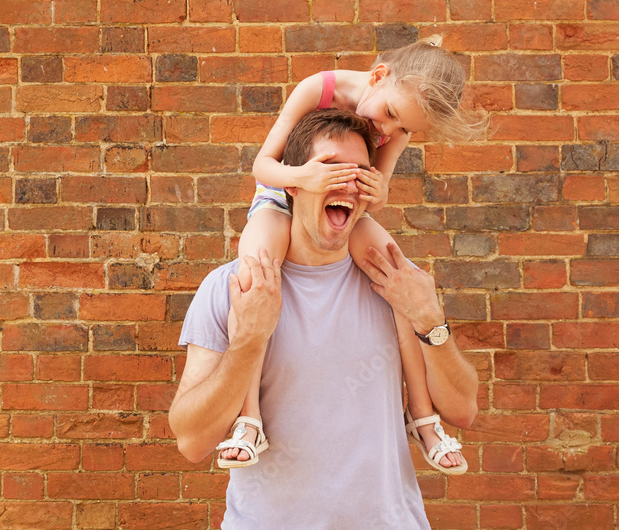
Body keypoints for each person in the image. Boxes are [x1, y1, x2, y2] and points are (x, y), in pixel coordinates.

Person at [168, 108, 479, 529]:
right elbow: (191, 441)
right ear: (292, 184)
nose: (345, 184)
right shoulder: (233, 288)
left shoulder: (398, 285)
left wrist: (430, 322)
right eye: (330, 167)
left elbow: (462, 411)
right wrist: (248, 342)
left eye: (360, 173)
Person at [223, 36, 485, 472]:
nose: (388, 131)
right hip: (282, 193)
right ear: (378, 78)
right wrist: (304, 176)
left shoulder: (398, 126)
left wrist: (378, 189)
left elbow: (376, 197)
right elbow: (263, 165)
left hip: (342, 202)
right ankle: (248, 418)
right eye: (390, 116)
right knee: (253, 272)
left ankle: (422, 417)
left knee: (398, 273)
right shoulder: (318, 89)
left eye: (404, 129)